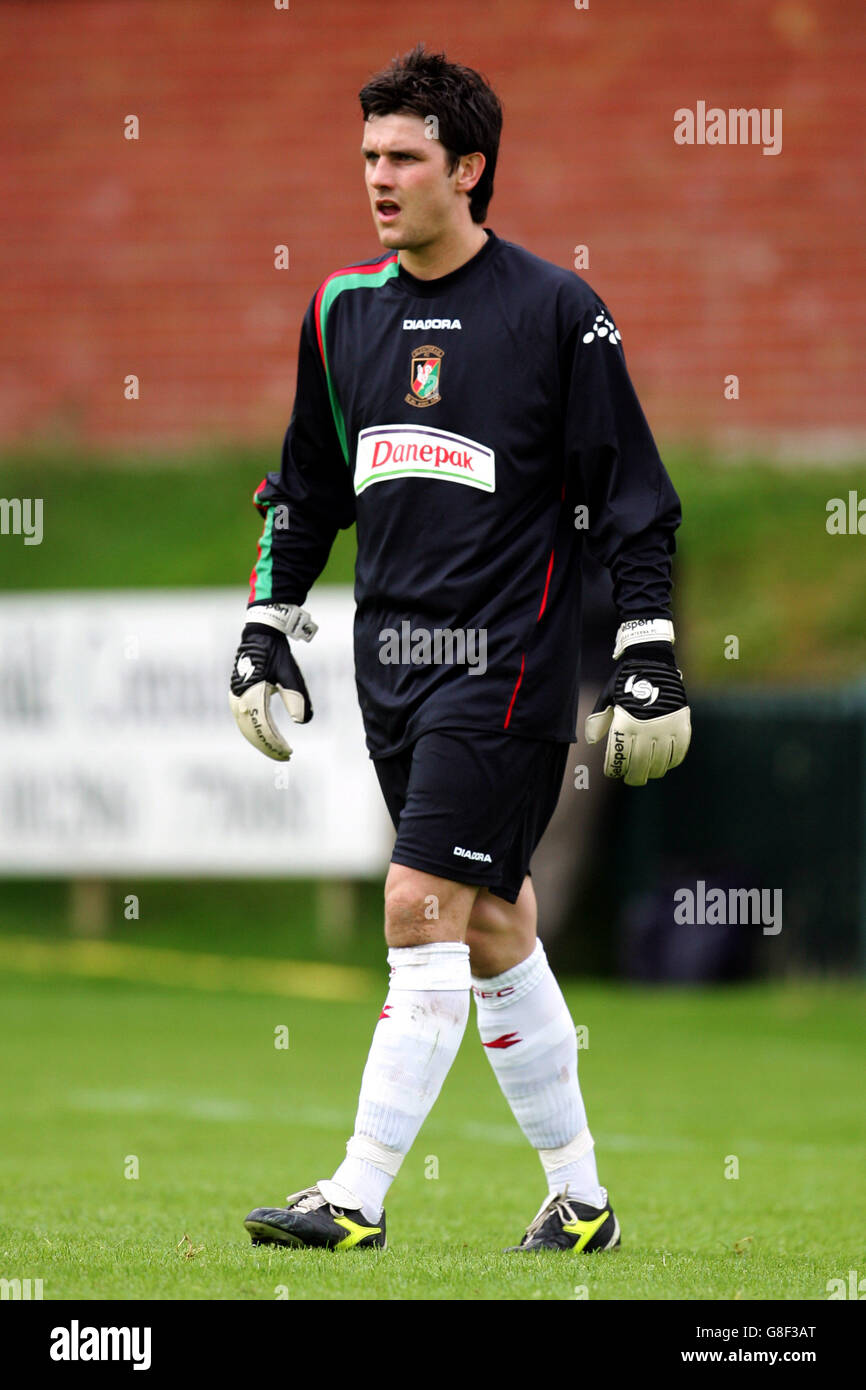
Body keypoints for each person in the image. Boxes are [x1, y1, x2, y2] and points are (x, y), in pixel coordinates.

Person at [229, 44, 691, 1254]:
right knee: (489, 925)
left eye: (403, 157)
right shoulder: (339, 314)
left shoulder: (555, 312)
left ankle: (357, 1194)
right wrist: (266, 627)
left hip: (507, 667)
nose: (378, 178)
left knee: (418, 903)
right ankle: (581, 1200)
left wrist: (646, 649)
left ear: (468, 168)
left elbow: (632, 494)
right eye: (367, 156)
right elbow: (307, 488)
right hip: (389, 668)